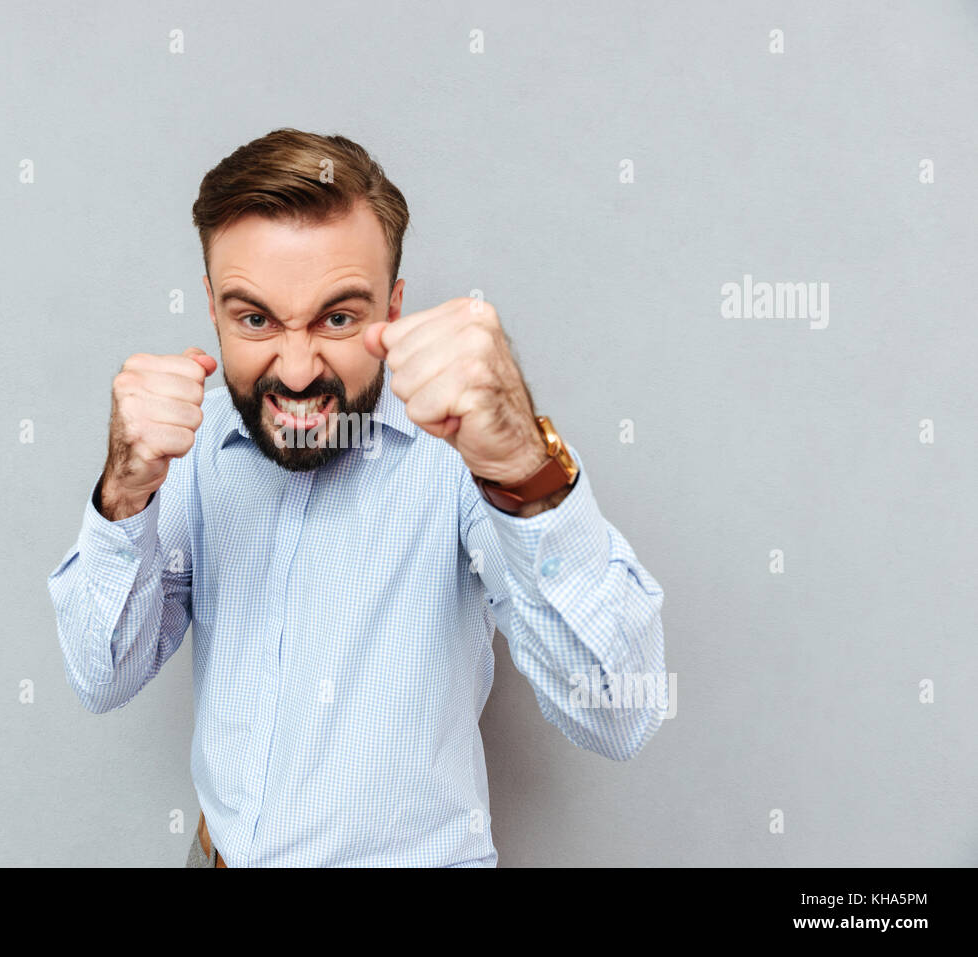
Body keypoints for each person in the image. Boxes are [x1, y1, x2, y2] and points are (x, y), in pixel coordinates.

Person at [47, 128, 668, 867]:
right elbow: (101, 675)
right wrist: (125, 488)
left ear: (392, 308)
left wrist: (524, 469)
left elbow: (620, 715)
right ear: (213, 307)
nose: (301, 369)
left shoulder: (464, 455)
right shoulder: (190, 445)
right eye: (256, 319)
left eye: (338, 317)